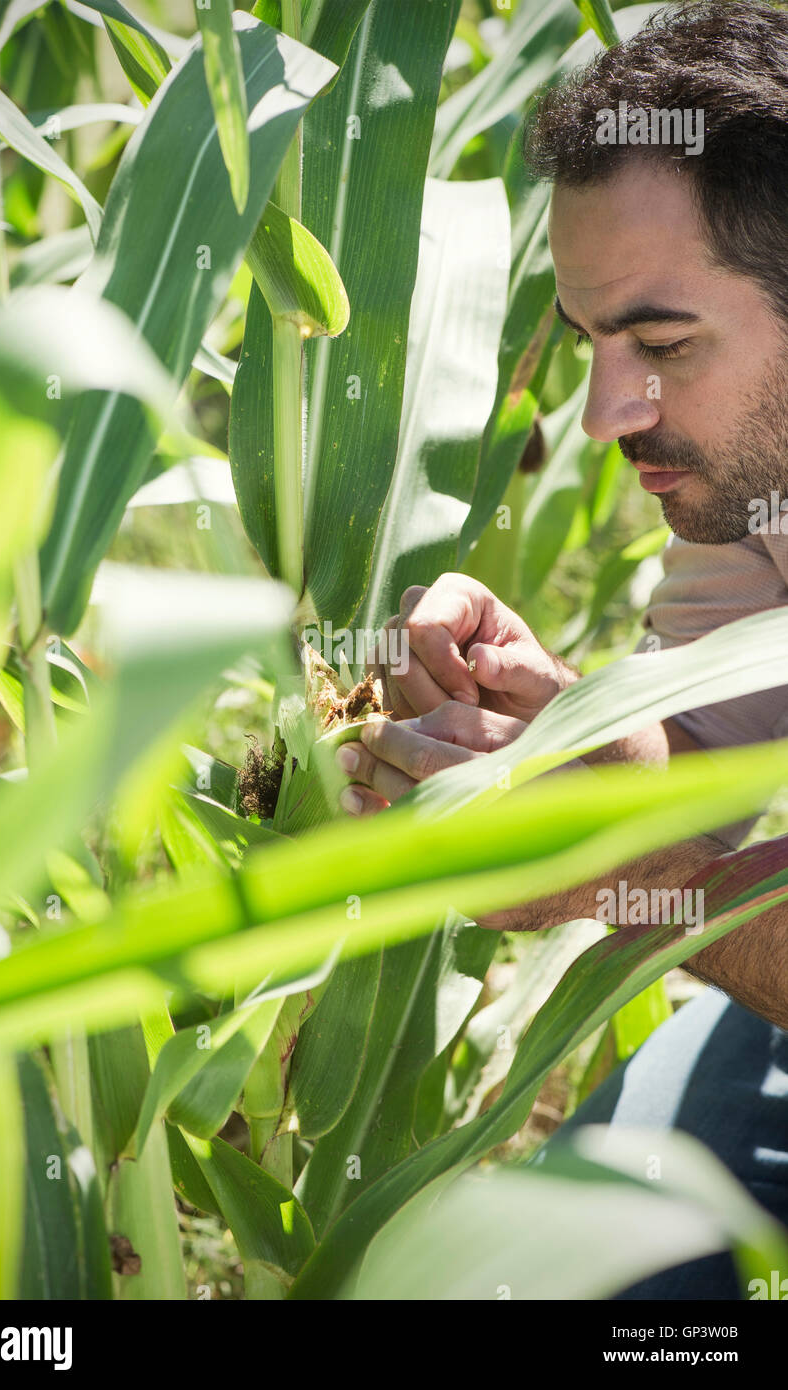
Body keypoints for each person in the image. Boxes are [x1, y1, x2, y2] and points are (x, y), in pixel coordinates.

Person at [334, 0, 788, 1298]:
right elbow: (700, 766)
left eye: (661, 345)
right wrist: (551, 747)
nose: (604, 416)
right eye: (592, 342)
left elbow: (678, 851)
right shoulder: (743, 484)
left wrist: (623, 859)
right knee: (581, 1259)